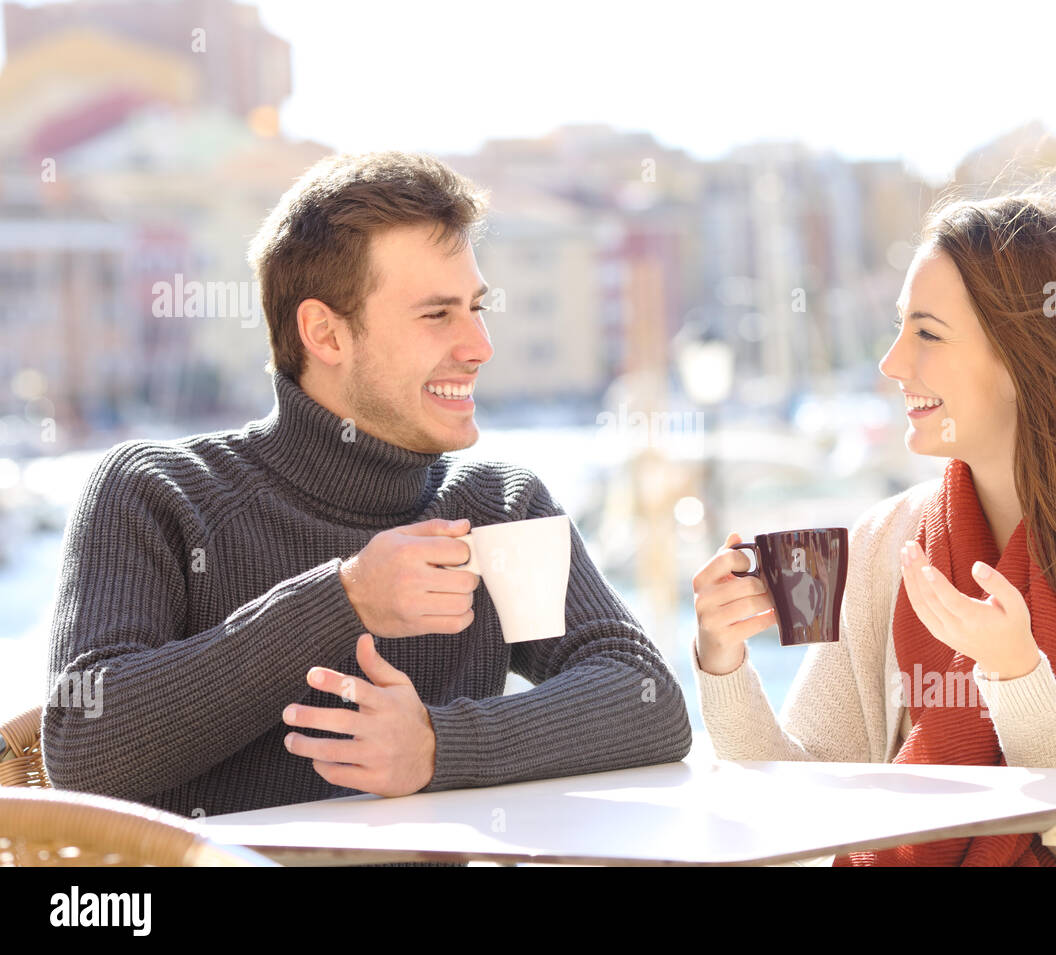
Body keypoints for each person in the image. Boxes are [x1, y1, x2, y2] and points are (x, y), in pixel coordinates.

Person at [42, 151, 692, 861]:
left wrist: (438, 748)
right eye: (437, 315)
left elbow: (645, 700)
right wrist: (345, 598)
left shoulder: (499, 510)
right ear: (326, 335)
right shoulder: (159, 492)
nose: (479, 346)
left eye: (474, 309)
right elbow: (84, 746)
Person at [691, 194, 1056, 867]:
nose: (891, 362)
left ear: (1026, 356)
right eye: (898, 328)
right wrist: (724, 660)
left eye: (927, 333)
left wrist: (1014, 674)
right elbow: (800, 799)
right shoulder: (880, 537)